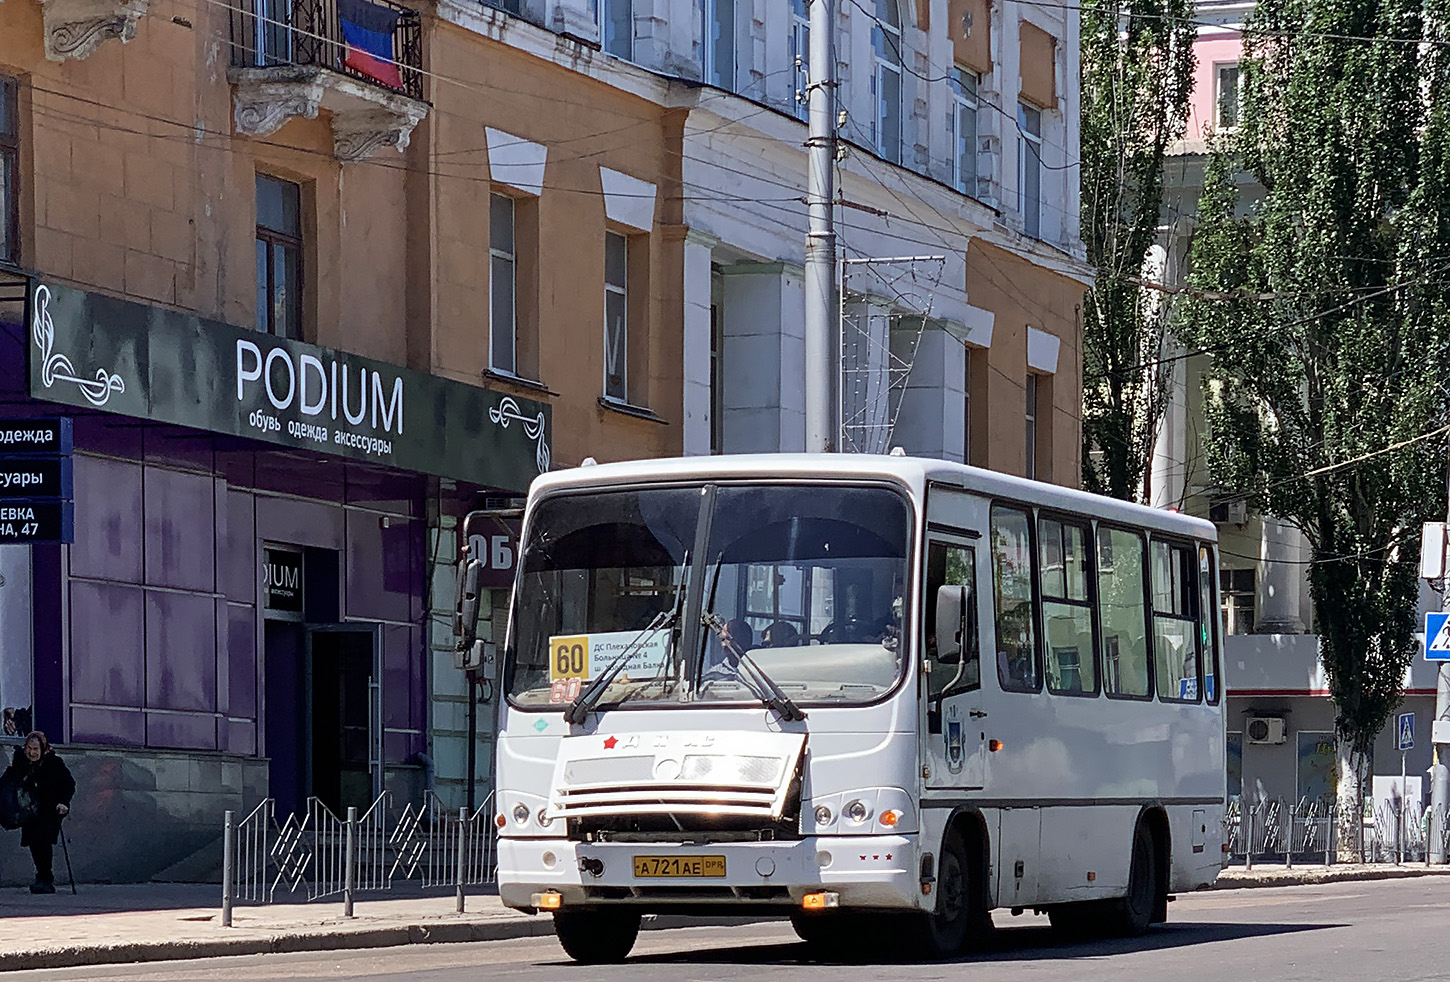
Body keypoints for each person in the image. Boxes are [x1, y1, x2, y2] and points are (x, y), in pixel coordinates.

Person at [2, 731, 75, 893]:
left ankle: (45, 879)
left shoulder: (54, 763)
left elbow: (68, 784)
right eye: (29, 748)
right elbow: (10, 780)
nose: (32, 753)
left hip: (49, 810)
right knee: (34, 844)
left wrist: (63, 802)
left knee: (43, 841)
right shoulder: (21, 762)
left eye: (35, 749)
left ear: (43, 748)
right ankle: (42, 876)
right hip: (28, 811)